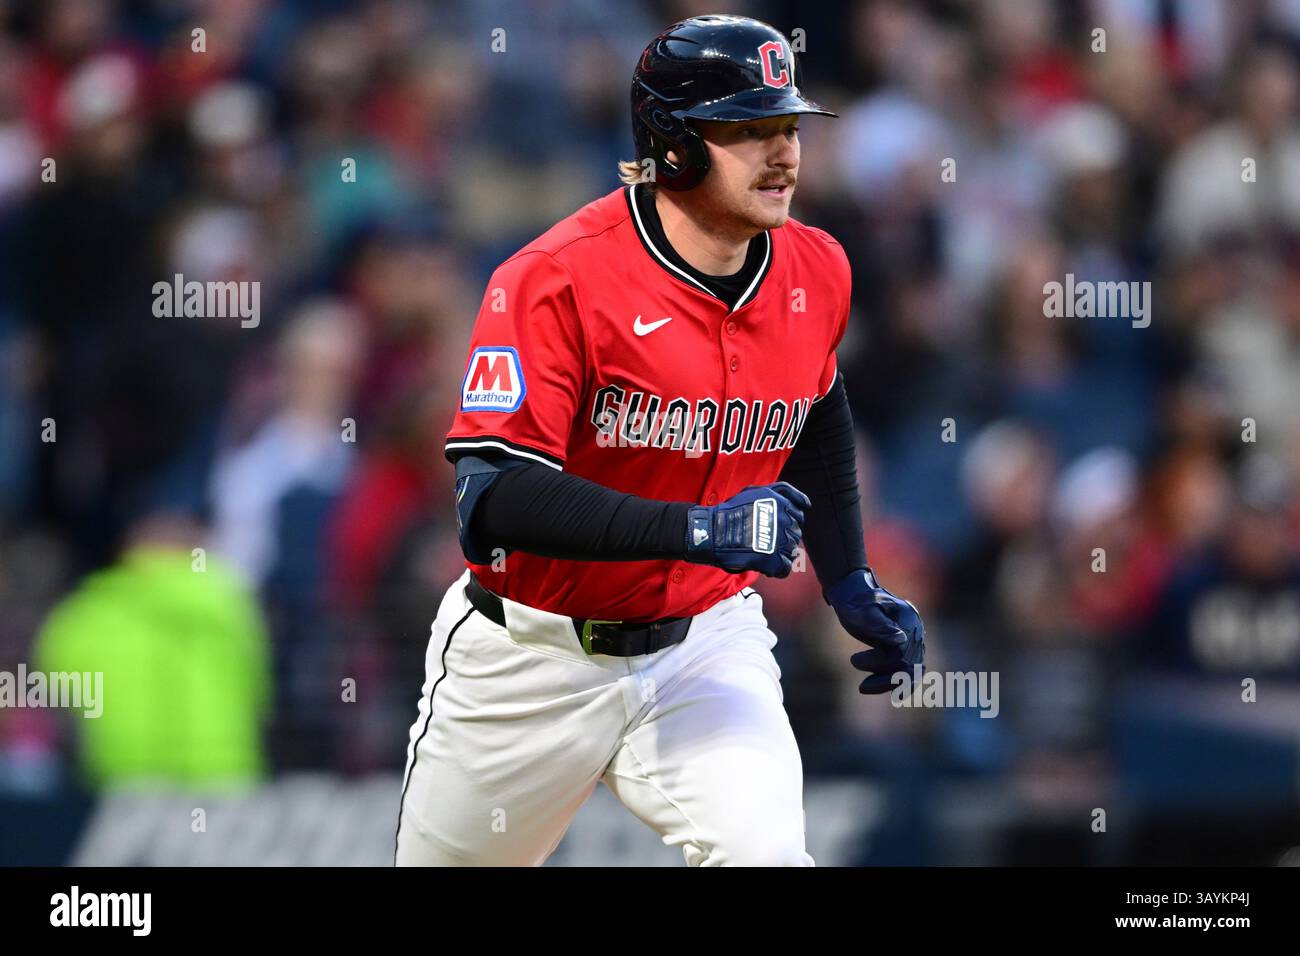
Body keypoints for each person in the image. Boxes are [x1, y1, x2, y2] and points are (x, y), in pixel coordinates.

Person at [395, 15, 925, 867]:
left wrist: (850, 575)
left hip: (703, 644)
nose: (784, 152)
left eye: (788, 126)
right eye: (748, 130)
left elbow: (818, 410)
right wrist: (694, 528)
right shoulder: (555, 277)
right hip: (529, 652)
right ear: (672, 144)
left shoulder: (817, 266)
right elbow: (492, 498)